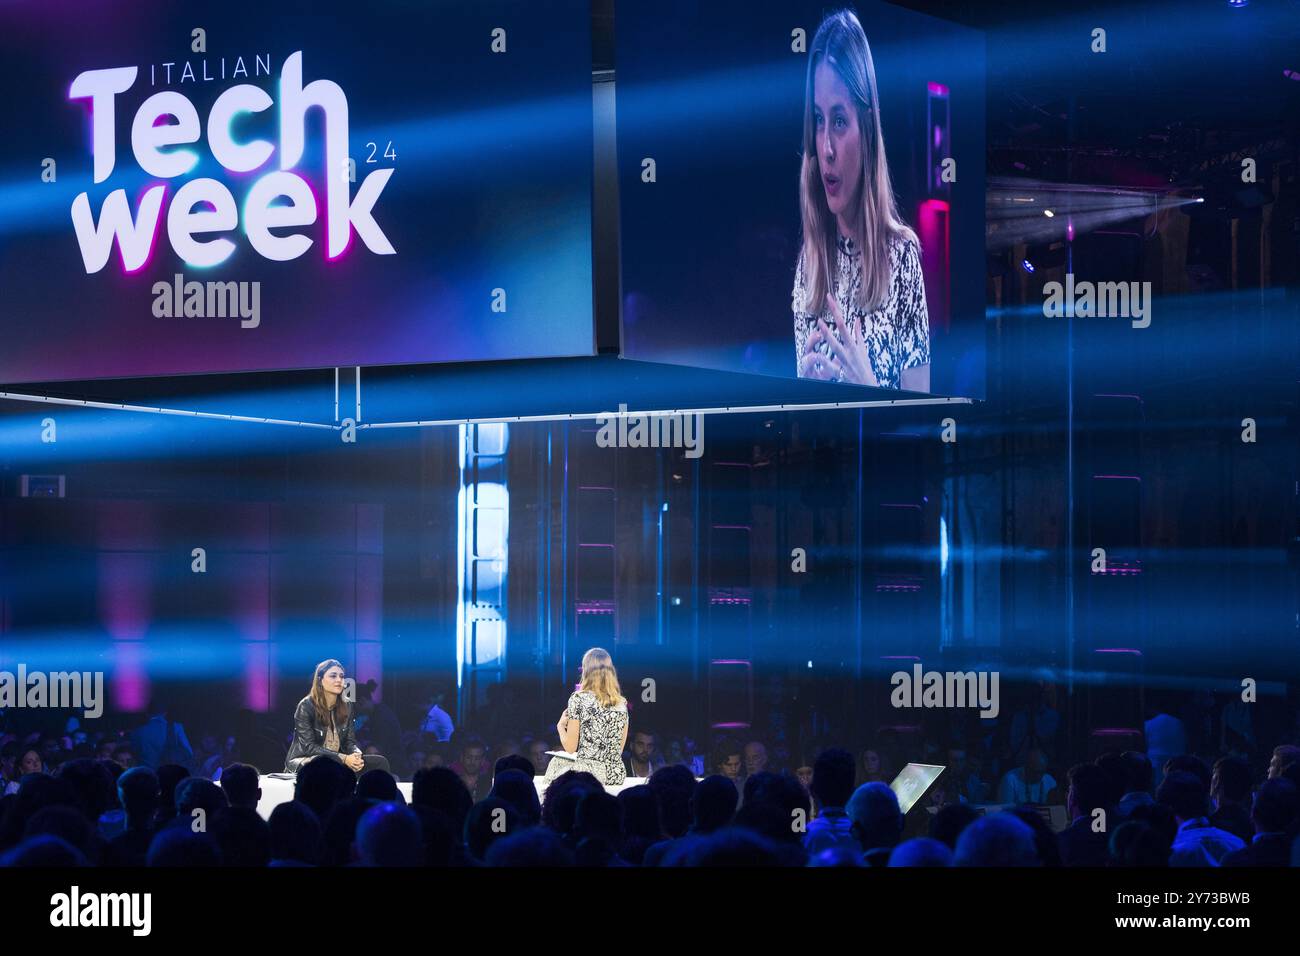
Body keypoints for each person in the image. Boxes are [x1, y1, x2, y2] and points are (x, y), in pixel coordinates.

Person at [792, 9, 929, 391]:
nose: (827, 149)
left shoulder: (902, 259)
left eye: (839, 121)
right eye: (818, 120)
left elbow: (923, 429)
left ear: (866, 128)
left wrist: (866, 386)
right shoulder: (810, 266)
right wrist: (802, 396)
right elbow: (798, 433)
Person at [284, 659, 390, 777]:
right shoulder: (306, 705)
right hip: (309, 760)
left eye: (341, 676)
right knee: (322, 764)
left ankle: (371, 794)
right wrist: (343, 758)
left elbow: (349, 742)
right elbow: (309, 747)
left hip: (339, 760)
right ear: (320, 680)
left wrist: (356, 754)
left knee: (379, 762)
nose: (339, 680)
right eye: (333, 676)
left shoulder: (347, 705)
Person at [543, 647, 629, 787]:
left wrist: (560, 726)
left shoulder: (578, 699)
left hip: (590, 774)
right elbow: (618, 750)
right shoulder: (621, 703)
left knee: (557, 762)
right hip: (616, 773)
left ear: (586, 670)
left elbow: (570, 748)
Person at [130, 702, 194, 771]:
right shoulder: (176, 727)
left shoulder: (137, 732)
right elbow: (189, 752)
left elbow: (134, 755)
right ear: (165, 713)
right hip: (168, 774)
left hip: (146, 774)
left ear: (147, 714)